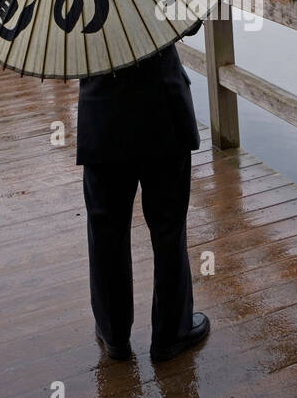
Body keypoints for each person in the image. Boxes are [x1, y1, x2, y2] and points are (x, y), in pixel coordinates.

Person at [76, 33, 210, 364]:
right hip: (162, 105)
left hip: (101, 111)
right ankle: (171, 333)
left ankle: (114, 334)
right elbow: (188, 19)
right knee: (168, 229)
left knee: (106, 230)